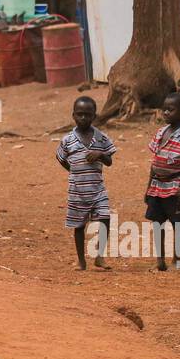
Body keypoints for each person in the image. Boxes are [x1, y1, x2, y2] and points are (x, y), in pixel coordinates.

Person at [57, 95, 118, 270]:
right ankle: (81, 260)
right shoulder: (67, 140)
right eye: (79, 114)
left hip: (97, 190)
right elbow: (60, 158)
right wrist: (73, 170)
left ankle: (100, 256)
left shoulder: (101, 138)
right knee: (79, 226)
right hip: (77, 191)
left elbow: (109, 161)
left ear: (94, 116)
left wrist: (100, 154)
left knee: (105, 219)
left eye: (87, 114)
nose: (83, 118)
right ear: (73, 115)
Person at [145, 92, 180, 271]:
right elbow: (154, 161)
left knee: (177, 222)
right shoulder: (160, 132)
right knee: (157, 222)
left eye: (171, 110)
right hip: (156, 185)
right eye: (164, 109)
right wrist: (148, 188)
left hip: (175, 185)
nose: (166, 113)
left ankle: (176, 255)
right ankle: (160, 259)